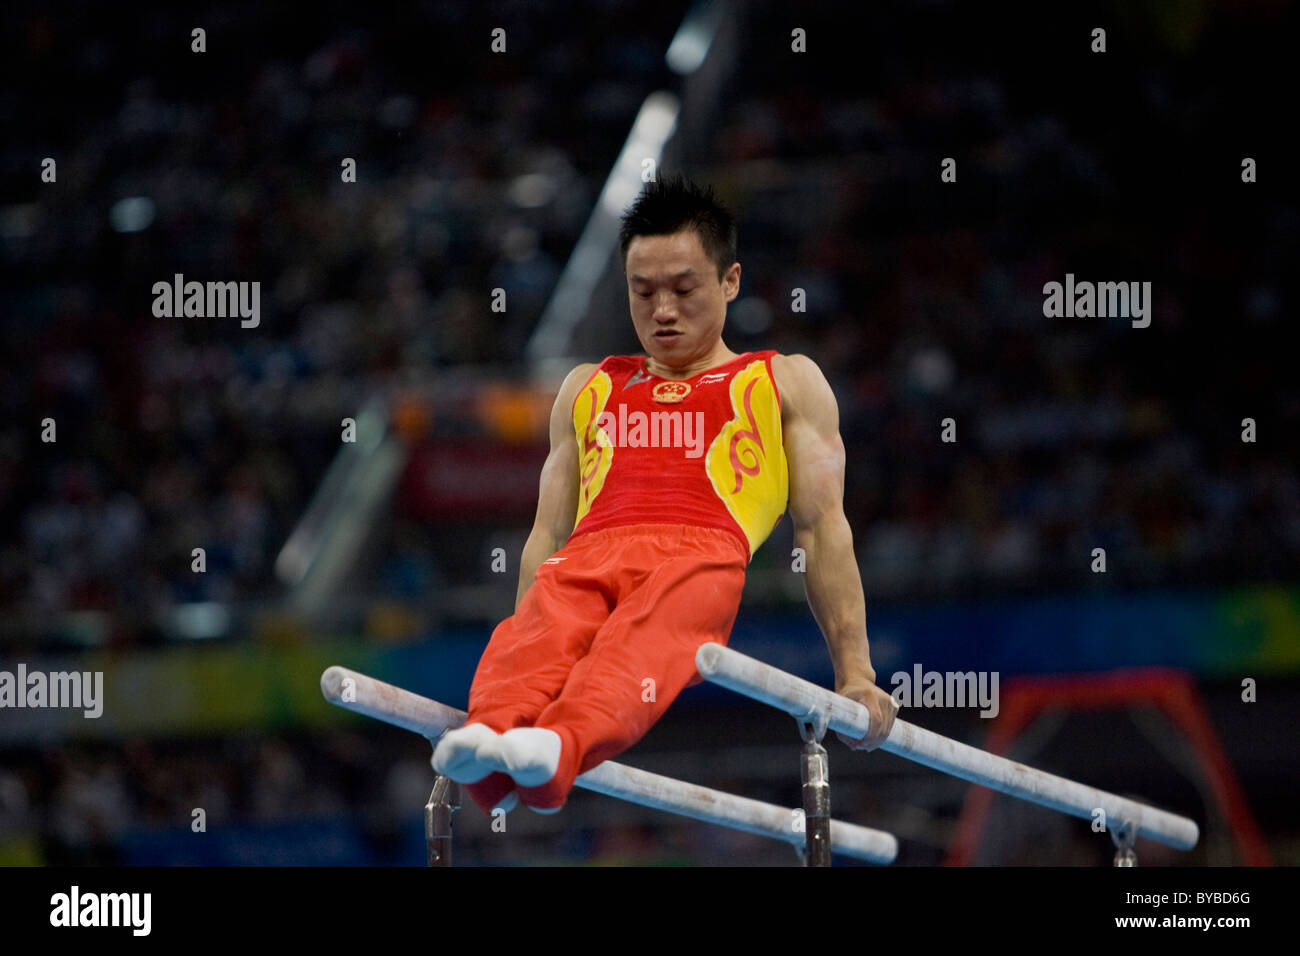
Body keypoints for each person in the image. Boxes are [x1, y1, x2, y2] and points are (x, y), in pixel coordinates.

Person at [433, 174, 899, 815]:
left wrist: (856, 673)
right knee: (540, 626)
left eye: (683, 289)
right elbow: (548, 538)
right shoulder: (587, 387)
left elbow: (823, 533)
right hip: (587, 555)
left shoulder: (782, 382)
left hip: (698, 558)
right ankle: (497, 742)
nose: (662, 310)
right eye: (643, 291)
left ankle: (559, 747)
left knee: (642, 640)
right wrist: (529, 649)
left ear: (730, 281)